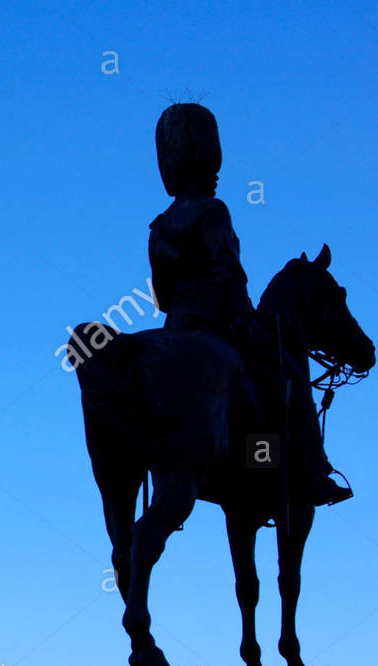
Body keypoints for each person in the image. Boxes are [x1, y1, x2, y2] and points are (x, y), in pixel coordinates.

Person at [147, 102, 351, 506]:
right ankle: (312, 472)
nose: (218, 176)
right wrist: (245, 317)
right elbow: (229, 273)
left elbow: (163, 296)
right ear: (201, 158)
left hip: (176, 327)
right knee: (290, 379)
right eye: (212, 165)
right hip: (221, 321)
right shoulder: (213, 211)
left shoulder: (158, 228)